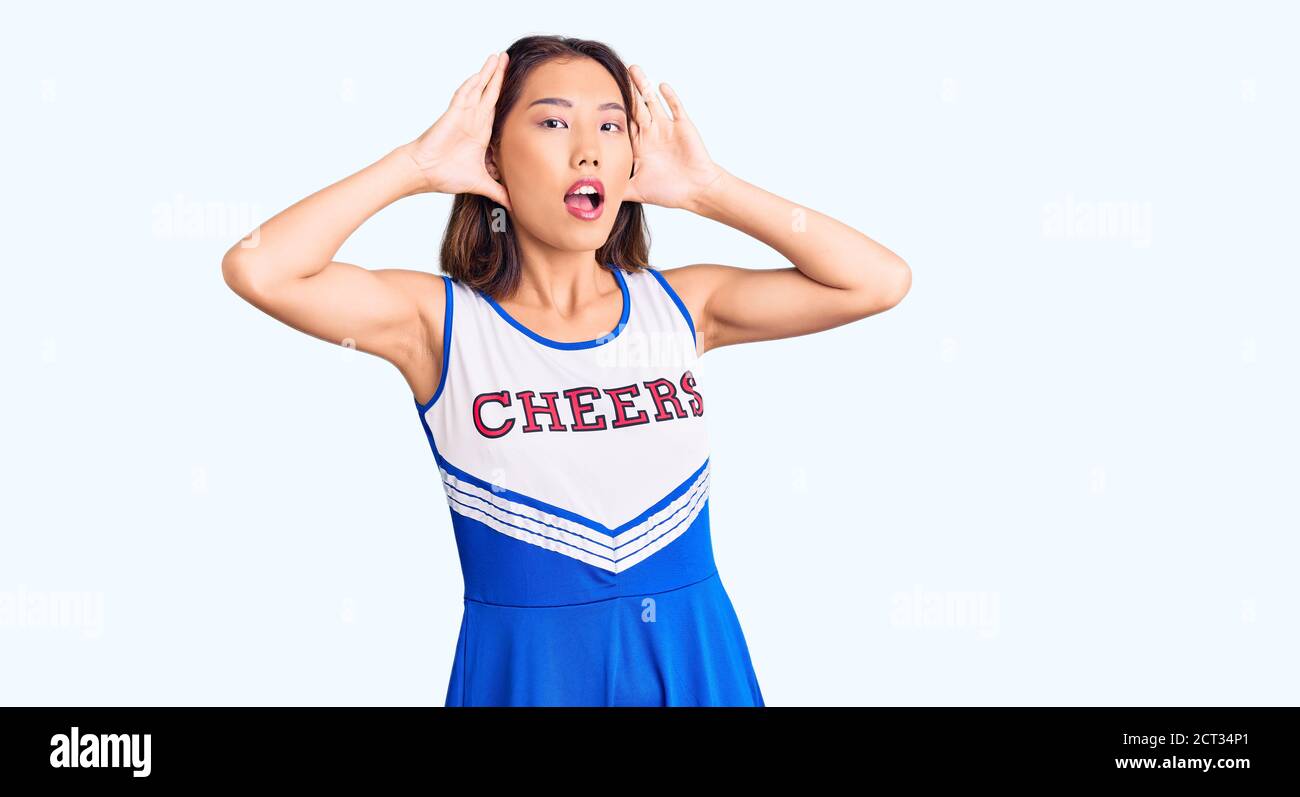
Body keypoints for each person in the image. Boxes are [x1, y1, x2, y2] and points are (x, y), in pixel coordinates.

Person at [221, 35, 910, 706]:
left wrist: (709, 189)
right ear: (491, 154)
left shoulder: (682, 305)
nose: (588, 149)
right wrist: (417, 166)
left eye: (611, 126)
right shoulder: (438, 322)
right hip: (532, 667)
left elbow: (877, 281)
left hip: (695, 654)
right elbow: (260, 265)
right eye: (553, 121)